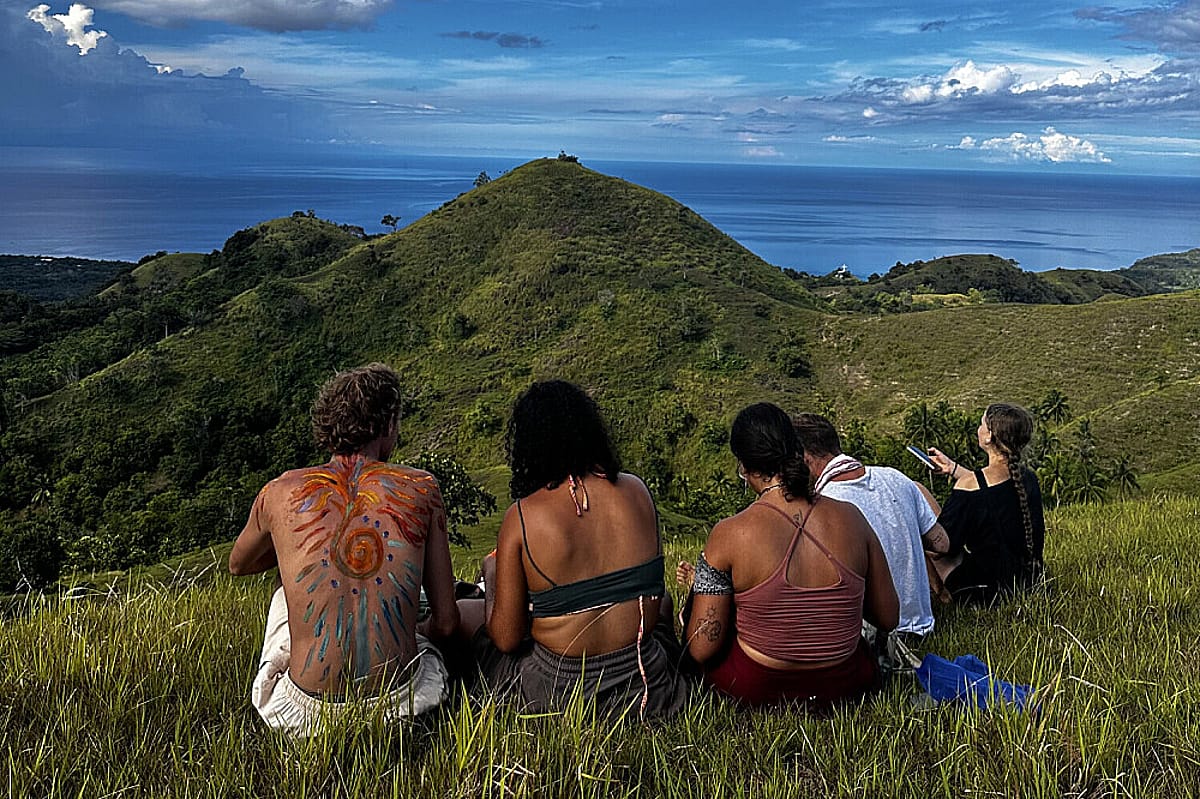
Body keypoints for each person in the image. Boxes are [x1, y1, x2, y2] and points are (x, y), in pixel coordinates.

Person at [229, 363, 459, 735]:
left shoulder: (279, 492)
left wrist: (292, 548)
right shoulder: (421, 488)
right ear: (388, 424)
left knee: (281, 593)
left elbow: (238, 565)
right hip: (401, 703)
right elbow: (447, 625)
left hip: (305, 714)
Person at [458, 380, 688, 718]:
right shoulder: (638, 490)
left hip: (559, 693)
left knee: (483, 642)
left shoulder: (522, 517)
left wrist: (492, 575)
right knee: (665, 607)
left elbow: (506, 638)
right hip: (646, 686)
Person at [678, 402, 898, 708]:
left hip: (757, 685)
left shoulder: (730, 533)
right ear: (797, 450)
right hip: (846, 683)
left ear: (744, 466)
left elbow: (702, 648)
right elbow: (888, 617)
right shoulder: (853, 518)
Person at [792, 412, 949, 658]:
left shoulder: (823, 506)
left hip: (872, 639)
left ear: (805, 458)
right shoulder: (897, 478)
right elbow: (941, 543)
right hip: (922, 627)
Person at [926, 402, 1046, 603]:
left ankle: (940, 596)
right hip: (1026, 581)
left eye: (982, 424)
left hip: (984, 592)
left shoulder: (970, 485)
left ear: (989, 436)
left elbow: (940, 550)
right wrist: (952, 468)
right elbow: (991, 493)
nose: (978, 429)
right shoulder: (1027, 478)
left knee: (918, 491)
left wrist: (913, 532)